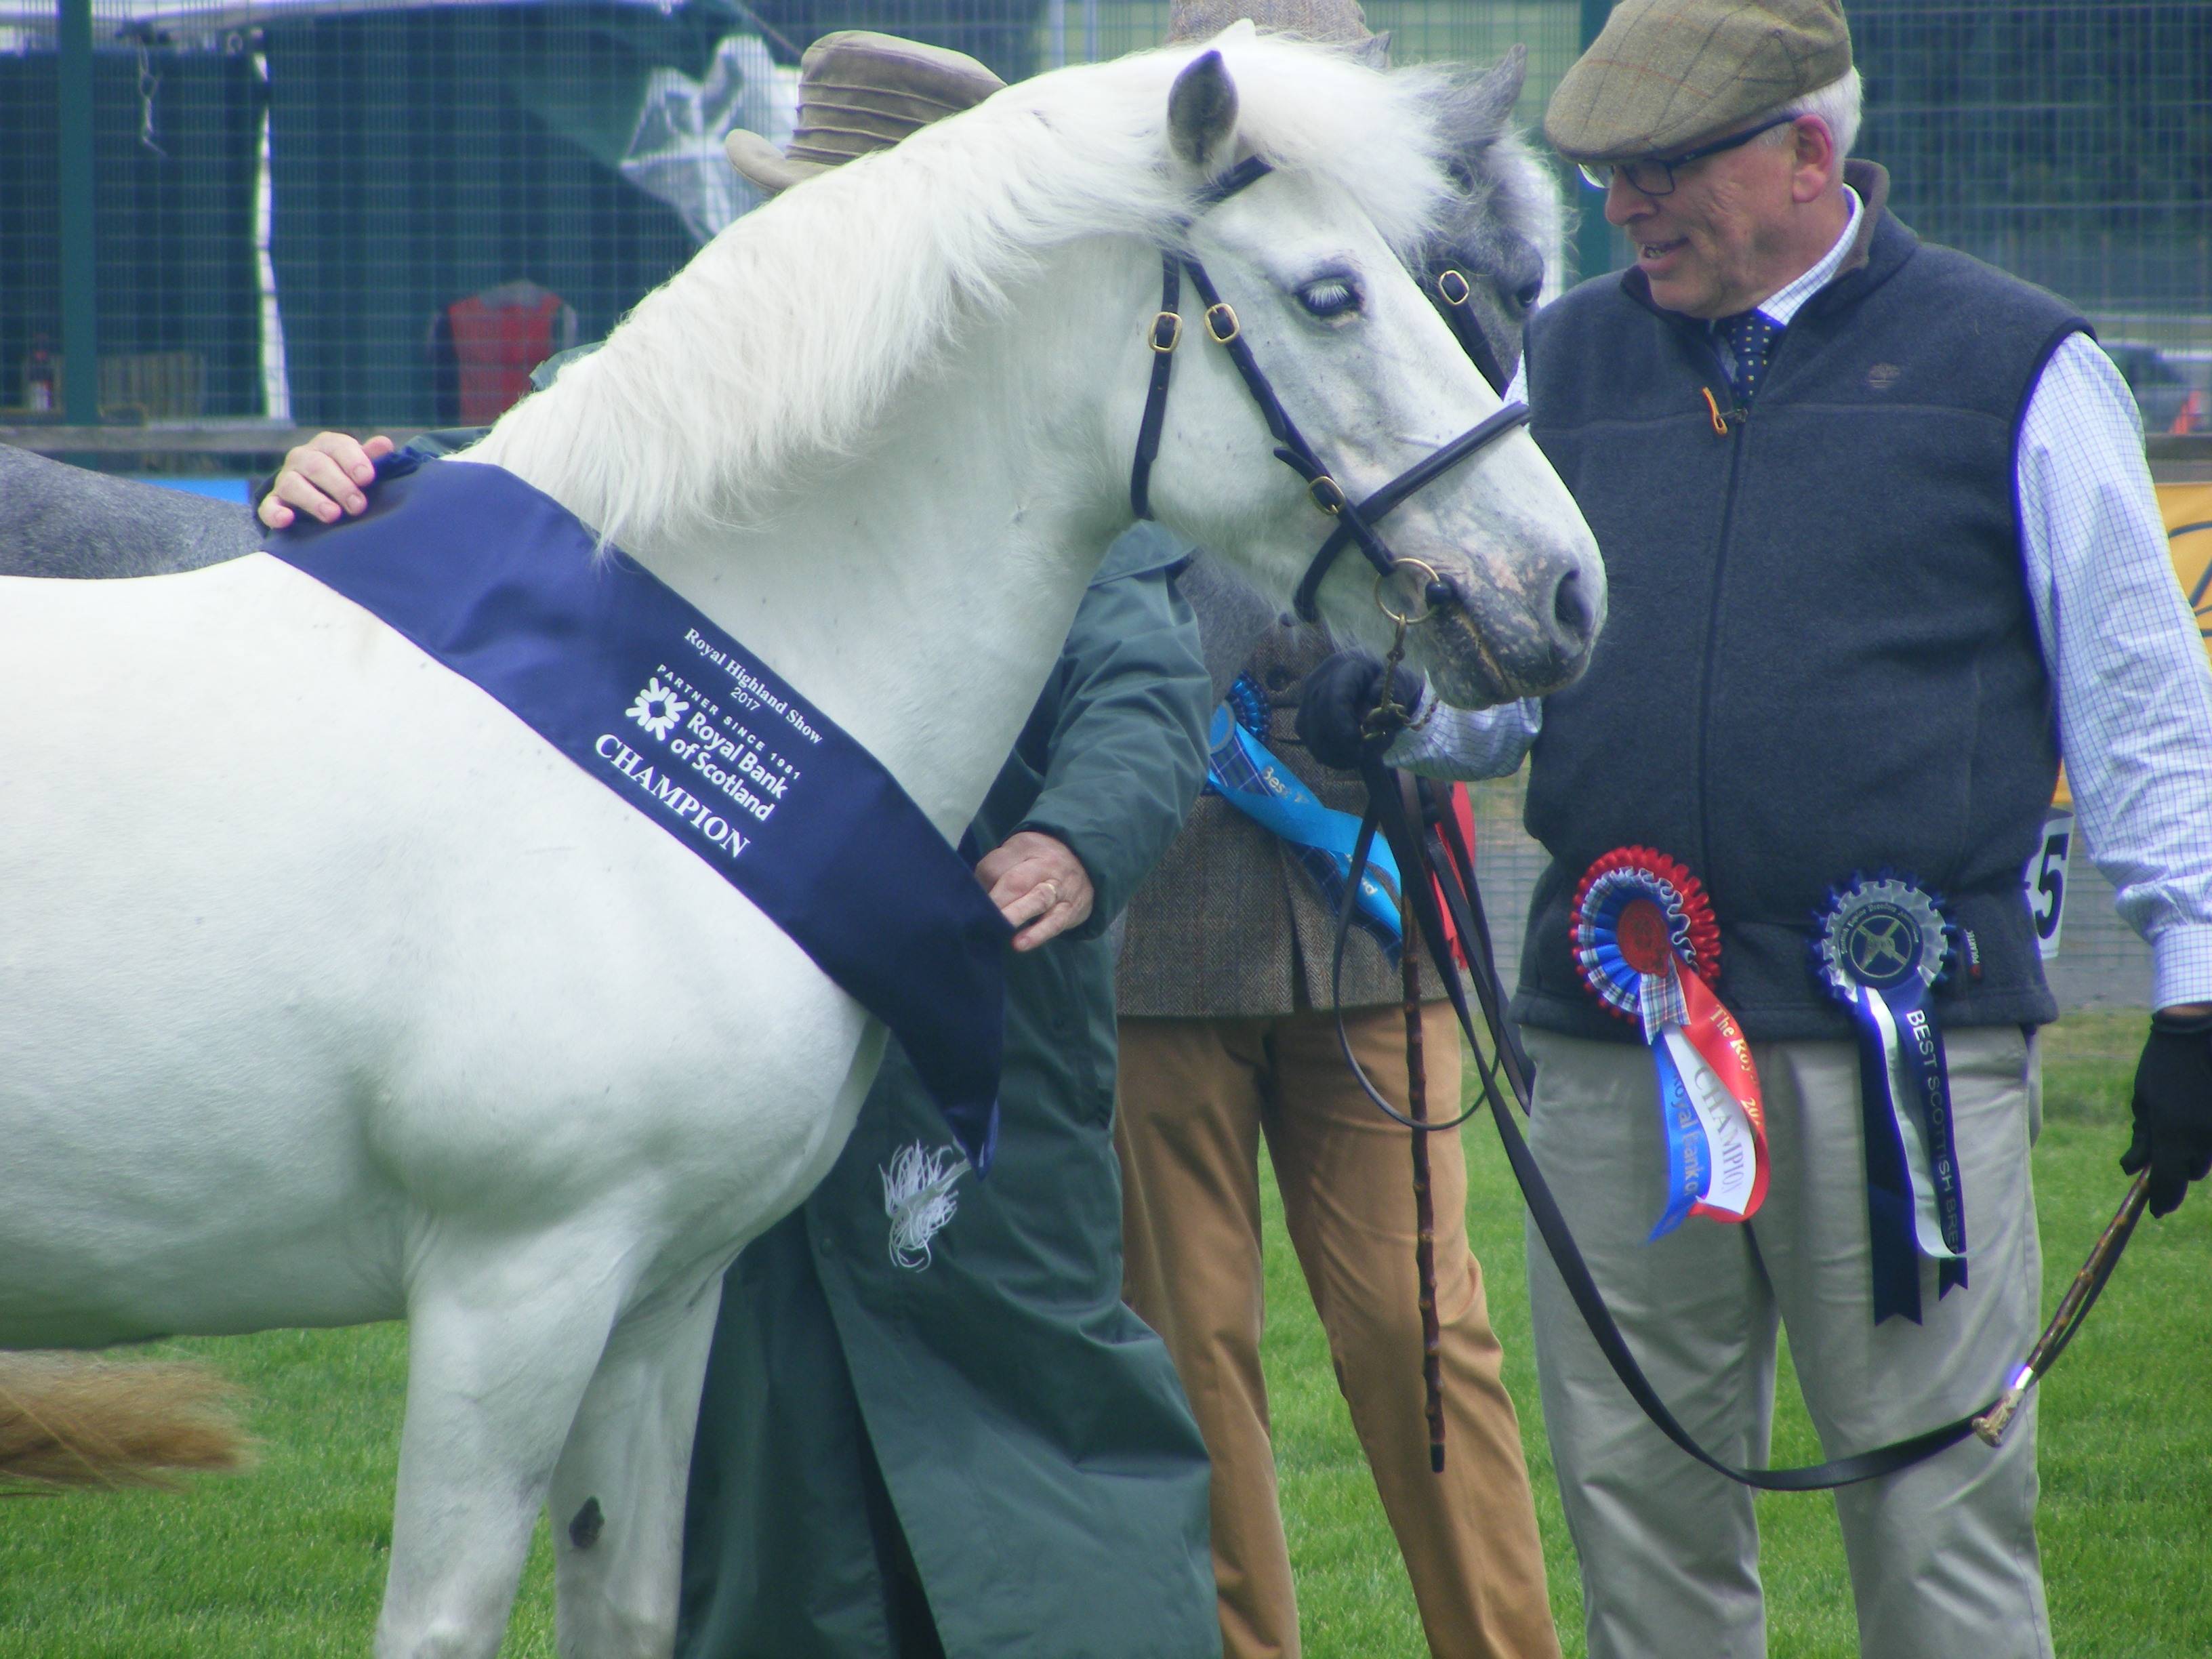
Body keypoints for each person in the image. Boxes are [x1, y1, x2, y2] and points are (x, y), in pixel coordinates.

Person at [258, 32, 1222, 1658]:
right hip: (698, 1028)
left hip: (969, 1026)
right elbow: (500, 531)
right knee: (758, 1473)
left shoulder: (1030, 440)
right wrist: (354, 483)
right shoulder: (668, 384)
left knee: (1030, 1443)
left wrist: (1078, 838)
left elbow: (1143, 680)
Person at [1299, 3, 2212, 1656]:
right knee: (1639, 1525)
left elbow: (2144, 703)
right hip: (1618, 1048)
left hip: (1905, 1057)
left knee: (1939, 1531)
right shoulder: (1562, 362)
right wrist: (1402, 714)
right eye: (1608, 174)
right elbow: (1508, 700)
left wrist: (2198, 985)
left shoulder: (2015, 363)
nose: (1625, 205)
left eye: (1663, 169)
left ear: (1805, 152)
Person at [1107, 7, 1562, 1659]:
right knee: (1186, 1355)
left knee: (1423, 1341)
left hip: (1371, 912)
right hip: (1152, 911)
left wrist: (1419, 713)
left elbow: (1509, 662)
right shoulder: (1125, 287)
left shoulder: (1460, 294)